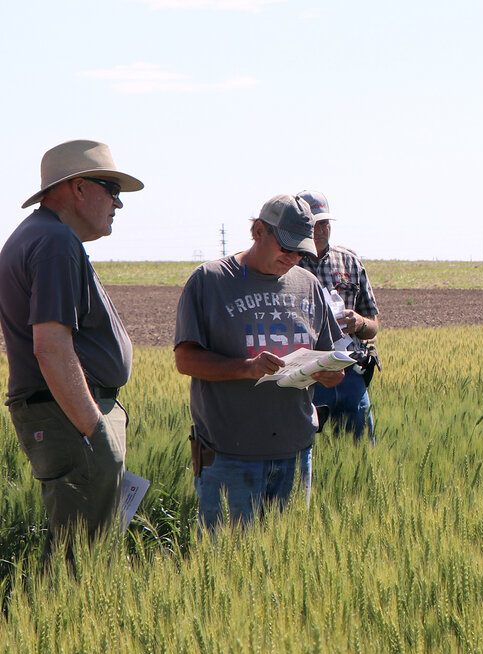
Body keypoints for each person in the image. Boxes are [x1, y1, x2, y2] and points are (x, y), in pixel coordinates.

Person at [0, 140, 143, 555]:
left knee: (78, 552)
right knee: (83, 559)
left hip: (64, 416)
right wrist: (95, 430)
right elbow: (51, 348)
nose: (118, 203)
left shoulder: (39, 237)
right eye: (110, 189)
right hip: (71, 419)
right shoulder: (55, 242)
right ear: (78, 188)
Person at [174, 195, 344, 531]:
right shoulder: (210, 280)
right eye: (286, 247)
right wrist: (246, 368)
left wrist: (329, 374)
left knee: (288, 556)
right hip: (229, 457)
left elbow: (329, 356)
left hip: (296, 452)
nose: (292, 258)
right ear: (258, 231)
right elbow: (185, 359)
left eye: (300, 252)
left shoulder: (308, 285)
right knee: (227, 558)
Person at [296, 190, 381, 442]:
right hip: (307, 379)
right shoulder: (287, 265)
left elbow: (373, 326)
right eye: (313, 223)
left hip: (351, 375)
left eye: (324, 223)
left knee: (360, 454)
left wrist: (359, 323)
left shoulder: (350, 263)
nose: (320, 230)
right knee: (307, 453)